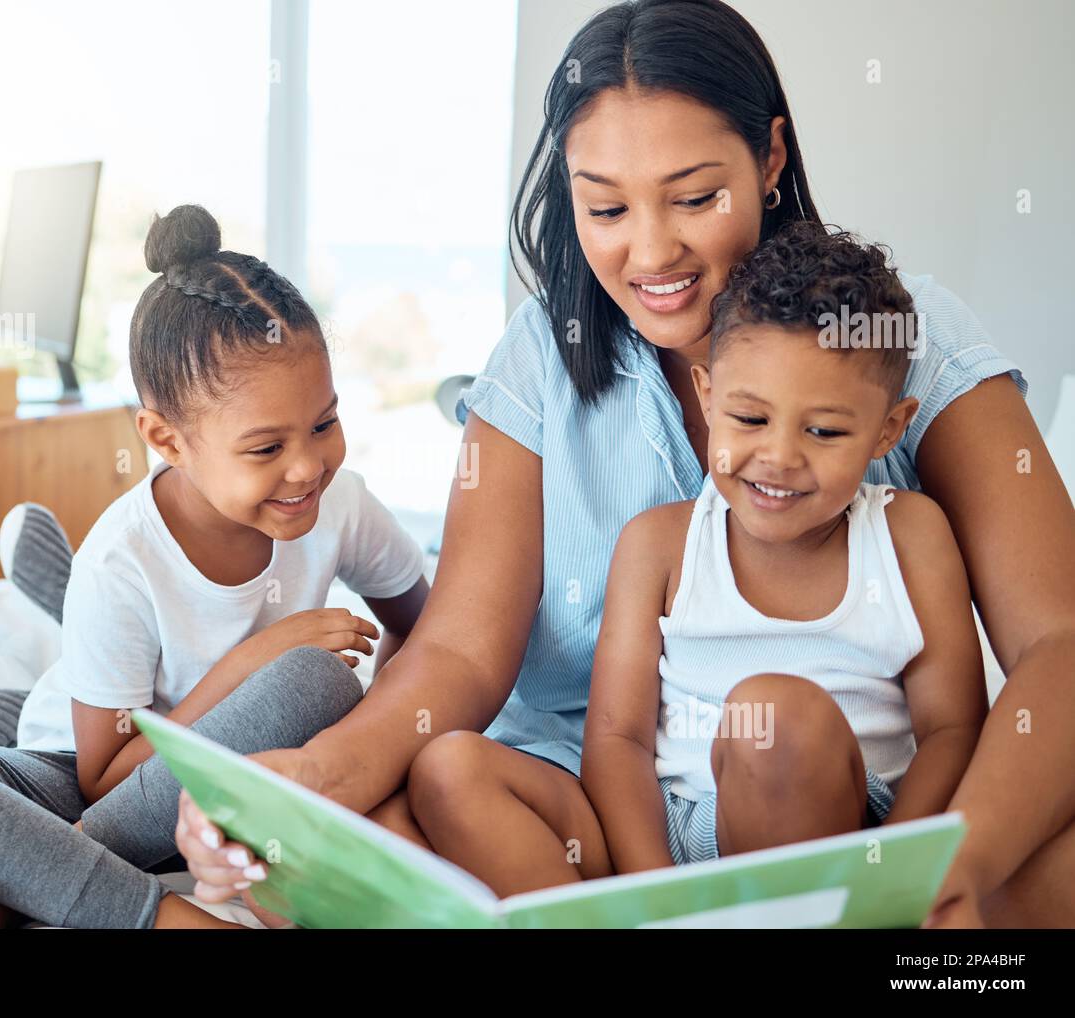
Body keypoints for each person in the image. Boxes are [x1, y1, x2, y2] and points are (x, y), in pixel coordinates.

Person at [173, 0, 1071, 927]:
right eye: (604, 206)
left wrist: (959, 856)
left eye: (692, 198)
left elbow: (1059, 645)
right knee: (335, 846)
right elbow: (456, 651)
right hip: (600, 810)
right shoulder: (539, 357)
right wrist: (314, 779)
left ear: (769, 160)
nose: (651, 253)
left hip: (839, 799)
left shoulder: (891, 334)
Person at [0, 205, 429, 929]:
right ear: (167, 440)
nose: (308, 466)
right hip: (88, 782)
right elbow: (101, 783)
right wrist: (250, 662)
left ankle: (30, 883)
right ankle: (155, 917)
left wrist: (370, 738)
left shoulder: (341, 503)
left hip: (236, 789)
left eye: (325, 423)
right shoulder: (121, 559)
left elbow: (432, 633)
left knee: (319, 682)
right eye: (265, 449)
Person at [408, 222, 989, 892]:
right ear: (709, 398)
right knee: (448, 768)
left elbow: (952, 729)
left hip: (843, 836)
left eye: (824, 431)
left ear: (889, 427)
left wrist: (894, 881)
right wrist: (655, 889)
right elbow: (617, 740)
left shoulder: (910, 534)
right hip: (674, 832)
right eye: (749, 419)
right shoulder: (660, 543)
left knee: (771, 718)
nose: (778, 457)